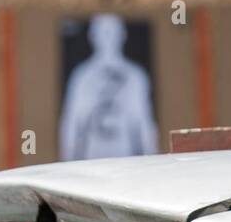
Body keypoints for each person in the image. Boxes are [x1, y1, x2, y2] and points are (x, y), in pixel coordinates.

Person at [59, 15, 158, 161]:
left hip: (126, 158)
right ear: (92, 36)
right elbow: (73, 122)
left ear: (123, 35)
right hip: (91, 159)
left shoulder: (135, 76)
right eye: (103, 32)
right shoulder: (82, 77)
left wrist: (152, 160)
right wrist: (66, 162)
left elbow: (143, 122)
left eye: (112, 32)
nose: (108, 38)